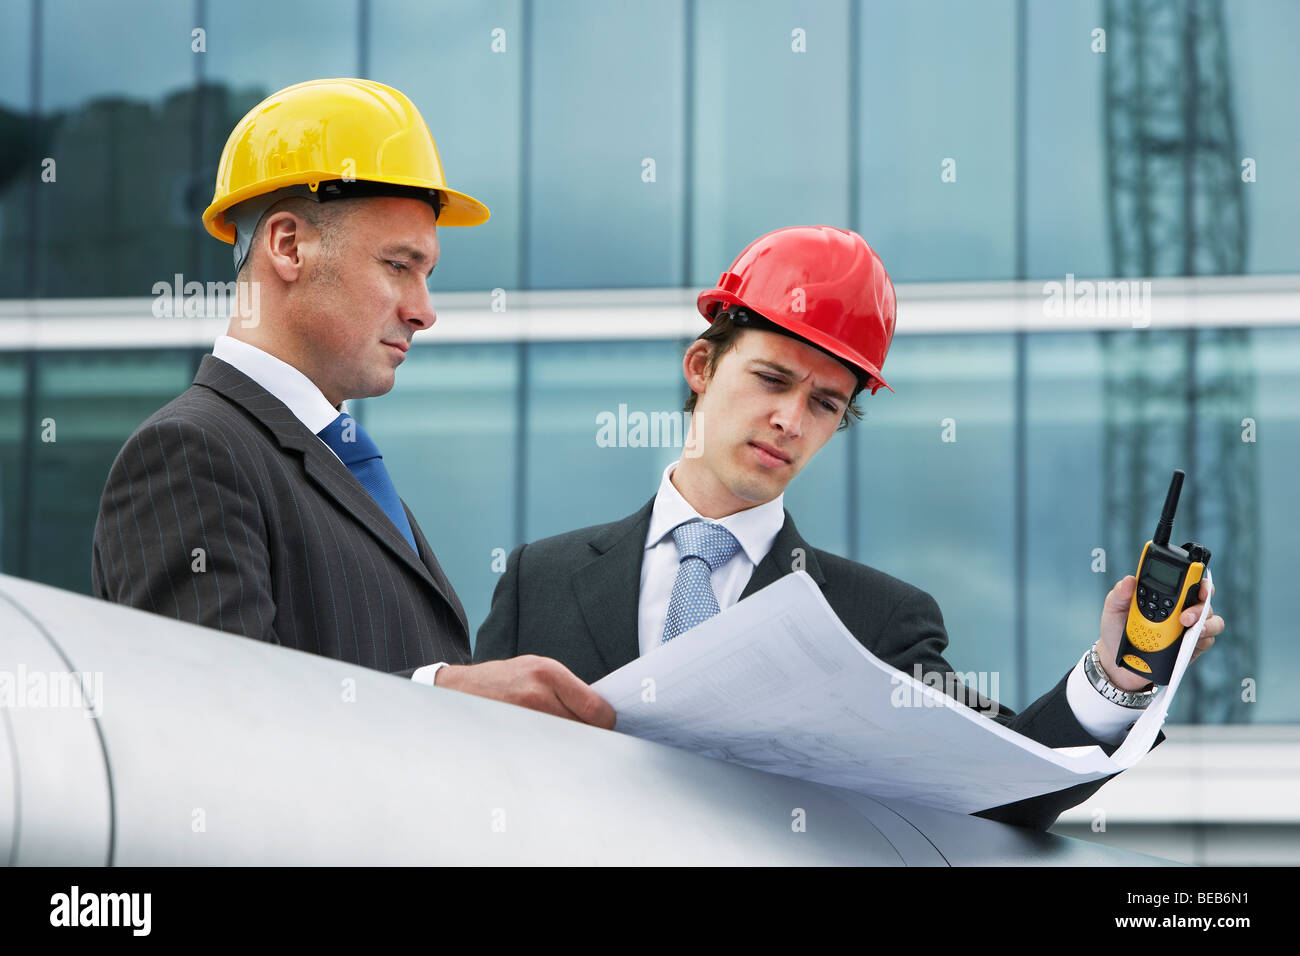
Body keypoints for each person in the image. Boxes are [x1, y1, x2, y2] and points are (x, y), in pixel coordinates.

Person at [473, 224, 1226, 829]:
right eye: (770, 379)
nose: (788, 421)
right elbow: (460, 766)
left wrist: (1117, 674)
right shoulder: (541, 579)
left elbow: (1009, 781)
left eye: (825, 404)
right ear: (701, 366)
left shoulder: (876, 620)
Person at [91, 77, 613, 730]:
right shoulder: (189, 454)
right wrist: (442, 696)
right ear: (287, 245)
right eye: (398, 265)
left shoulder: (330, 460)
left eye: (427, 275)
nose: (424, 312)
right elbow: (209, 726)